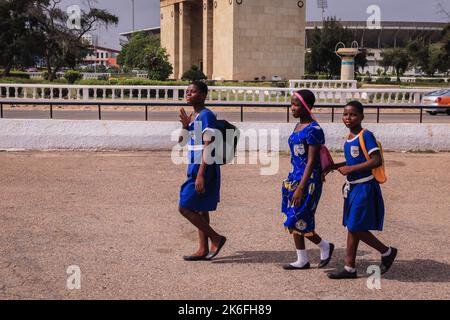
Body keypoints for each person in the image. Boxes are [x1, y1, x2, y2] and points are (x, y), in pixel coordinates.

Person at [326, 101, 397, 279]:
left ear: (362, 116)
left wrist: (349, 170)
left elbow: (376, 160)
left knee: (356, 226)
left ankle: (386, 252)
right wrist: (335, 165)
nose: (348, 118)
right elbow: (355, 161)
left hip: (365, 187)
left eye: (353, 114)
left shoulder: (366, 136)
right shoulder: (349, 138)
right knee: (352, 226)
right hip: (353, 188)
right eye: (345, 114)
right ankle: (349, 267)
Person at [281, 89, 334, 270]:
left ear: (307, 106)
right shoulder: (297, 127)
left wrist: (301, 187)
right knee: (293, 217)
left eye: (296, 104)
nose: (292, 108)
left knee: (296, 219)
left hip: (308, 182)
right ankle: (302, 259)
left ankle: (324, 245)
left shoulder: (314, 129)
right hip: (294, 179)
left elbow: (312, 161)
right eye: (291, 104)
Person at [178, 81, 226, 261]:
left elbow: (209, 145)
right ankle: (202, 249)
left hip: (203, 167)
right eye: (187, 91)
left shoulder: (207, 116)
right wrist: (185, 125)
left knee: (184, 207)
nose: (189, 93)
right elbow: (181, 143)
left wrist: (200, 175)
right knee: (200, 208)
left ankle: (216, 238)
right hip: (194, 166)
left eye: (193, 91)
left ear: (203, 95)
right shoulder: (194, 116)